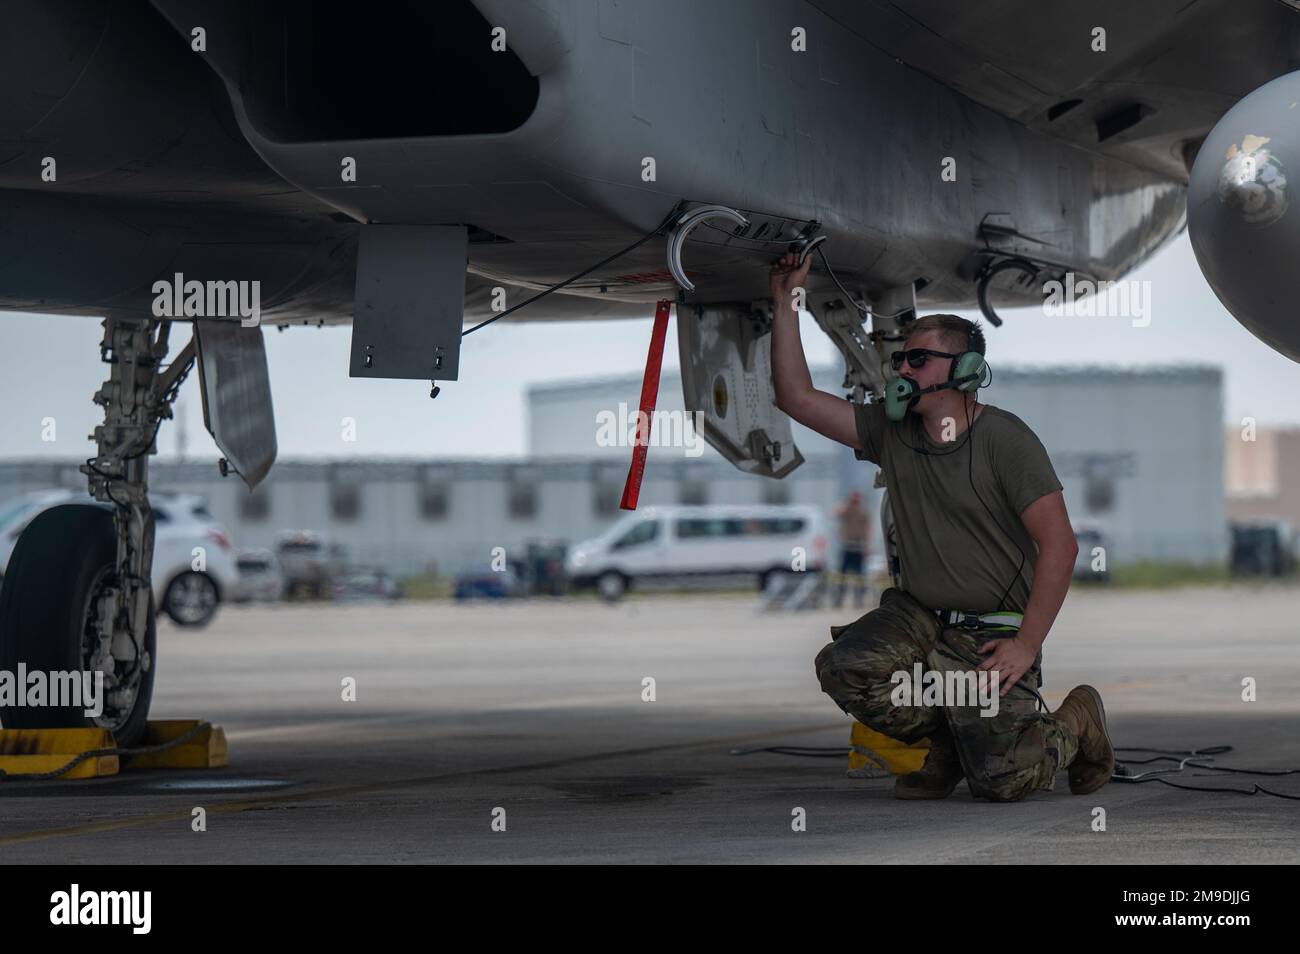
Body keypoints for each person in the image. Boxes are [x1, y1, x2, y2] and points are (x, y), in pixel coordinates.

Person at [767, 251, 1114, 802]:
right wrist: (786, 300)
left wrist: (1026, 644)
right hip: (921, 617)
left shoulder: (1007, 441)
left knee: (1006, 781)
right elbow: (797, 398)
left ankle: (1078, 722)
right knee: (847, 667)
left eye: (918, 360)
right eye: (901, 359)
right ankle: (947, 743)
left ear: (965, 372)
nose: (902, 369)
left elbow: (1061, 547)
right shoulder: (889, 430)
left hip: (992, 630)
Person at [832, 491, 871, 609]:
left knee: (860, 576)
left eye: (856, 501)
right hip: (847, 546)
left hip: (859, 547)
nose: (855, 504)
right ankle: (839, 600)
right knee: (842, 576)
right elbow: (835, 512)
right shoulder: (846, 511)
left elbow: (868, 530)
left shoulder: (864, 513)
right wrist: (847, 506)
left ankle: (858, 600)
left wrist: (867, 547)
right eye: (853, 501)